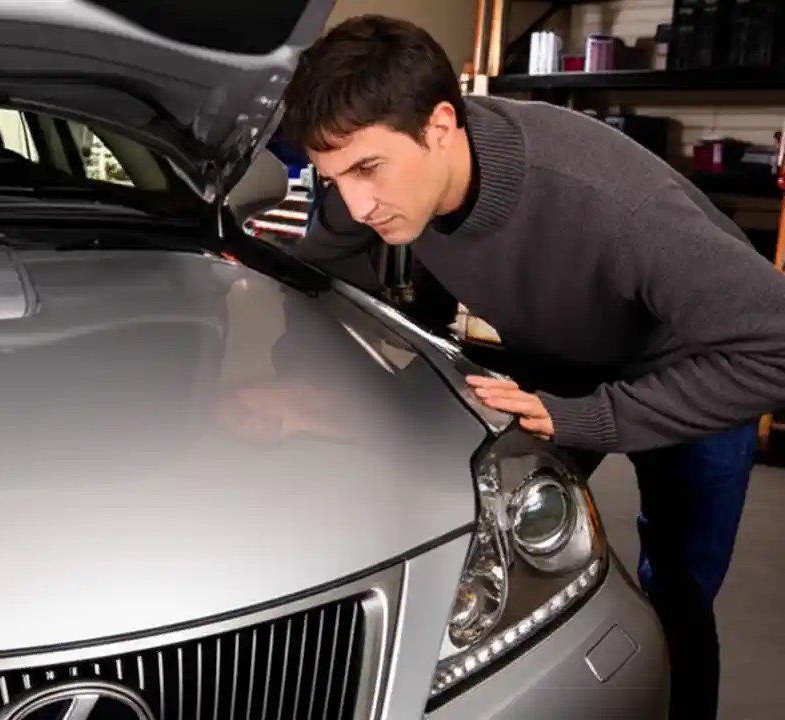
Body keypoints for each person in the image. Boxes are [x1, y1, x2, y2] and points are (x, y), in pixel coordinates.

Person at [276, 15, 785, 719]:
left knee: (677, 590)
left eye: (368, 168)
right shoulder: (376, 187)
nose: (357, 204)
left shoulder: (615, 206)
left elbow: (778, 347)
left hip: (695, 369)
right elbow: (318, 267)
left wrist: (597, 419)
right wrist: (296, 376)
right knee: (500, 558)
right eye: (336, 178)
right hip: (561, 365)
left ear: (441, 126)